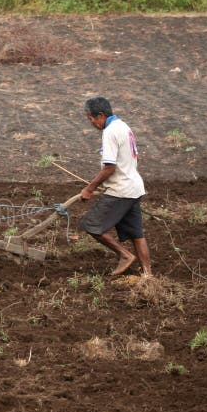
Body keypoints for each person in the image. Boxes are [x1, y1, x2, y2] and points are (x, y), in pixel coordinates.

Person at [79, 96, 151, 277]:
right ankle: (148, 275)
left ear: (100, 115)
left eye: (91, 118)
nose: (91, 123)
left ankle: (125, 255)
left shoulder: (110, 132)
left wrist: (89, 188)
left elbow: (110, 167)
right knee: (137, 234)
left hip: (121, 190)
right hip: (134, 187)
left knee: (91, 224)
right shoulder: (124, 126)